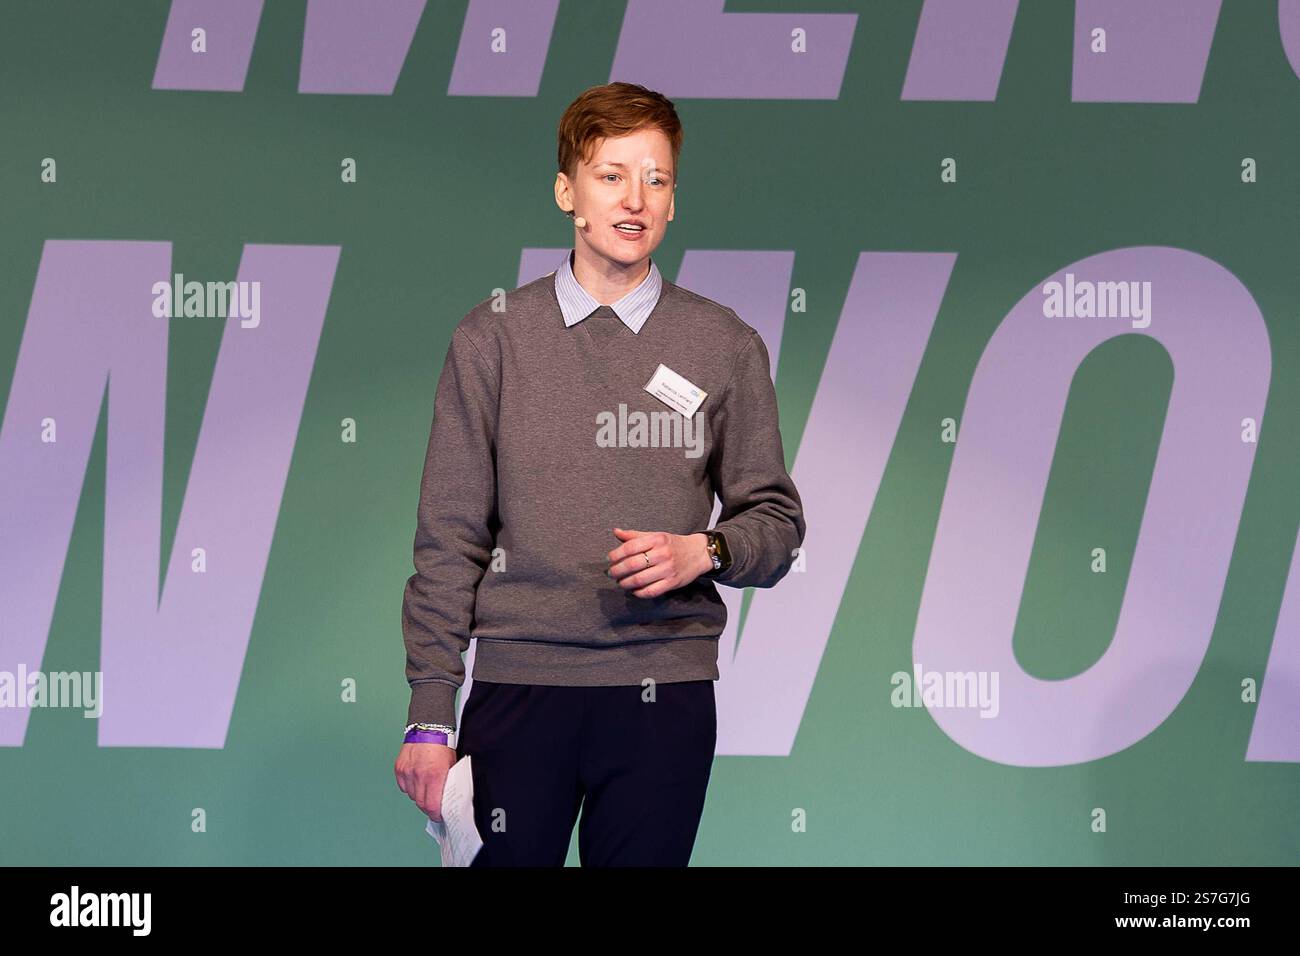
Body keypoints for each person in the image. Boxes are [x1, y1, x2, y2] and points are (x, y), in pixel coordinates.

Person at [393, 81, 805, 866]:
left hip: (663, 695)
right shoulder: (493, 340)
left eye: (656, 179)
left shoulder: (724, 343)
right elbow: (449, 537)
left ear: (674, 201)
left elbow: (777, 525)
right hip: (520, 689)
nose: (635, 198)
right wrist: (429, 715)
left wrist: (703, 551)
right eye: (612, 174)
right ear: (567, 193)